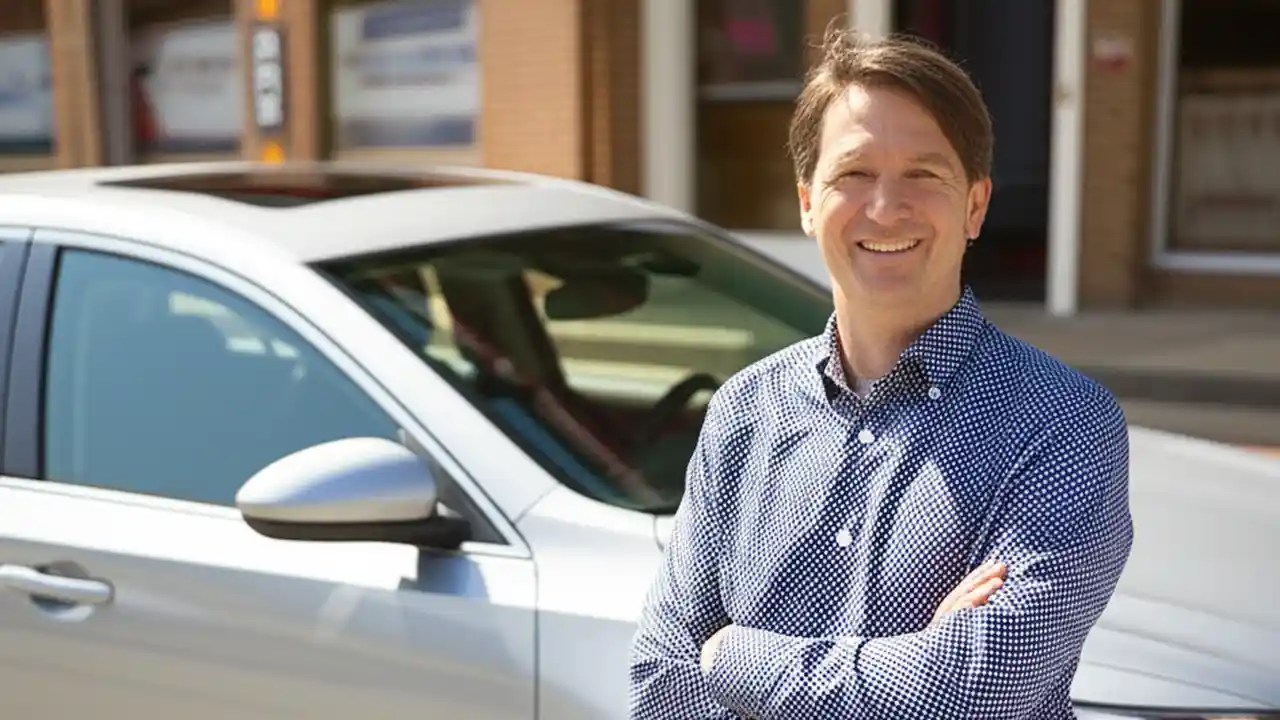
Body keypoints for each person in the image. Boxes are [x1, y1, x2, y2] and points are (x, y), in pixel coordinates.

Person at [628, 27, 1133, 720]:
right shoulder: (745, 412)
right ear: (808, 202)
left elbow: (974, 692)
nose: (885, 207)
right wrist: (917, 664)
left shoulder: (1065, 424)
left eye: (923, 175)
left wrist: (729, 657)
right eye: (854, 174)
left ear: (976, 205)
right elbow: (660, 682)